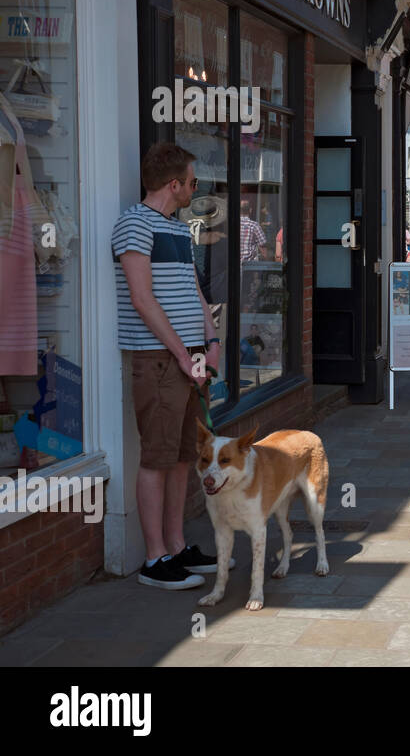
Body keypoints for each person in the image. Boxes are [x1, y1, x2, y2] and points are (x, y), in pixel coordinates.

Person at [114, 142, 221, 590]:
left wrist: (210, 343)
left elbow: (194, 292)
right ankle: (154, 558)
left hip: (189, 356)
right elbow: (142, 299)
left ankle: (177, 546)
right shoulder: (133, 225)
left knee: (183, 456)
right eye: (193, 183)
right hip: (158, 358)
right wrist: (181, 354)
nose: (195, 190)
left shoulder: (177, 230)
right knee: (156, 458)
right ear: (173, 184)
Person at [238, 199, 265, 263]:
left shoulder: (231, 225)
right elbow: (262, 243)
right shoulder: (254, 225)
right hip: (250, 265)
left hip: (233, 264)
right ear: (250, 210)